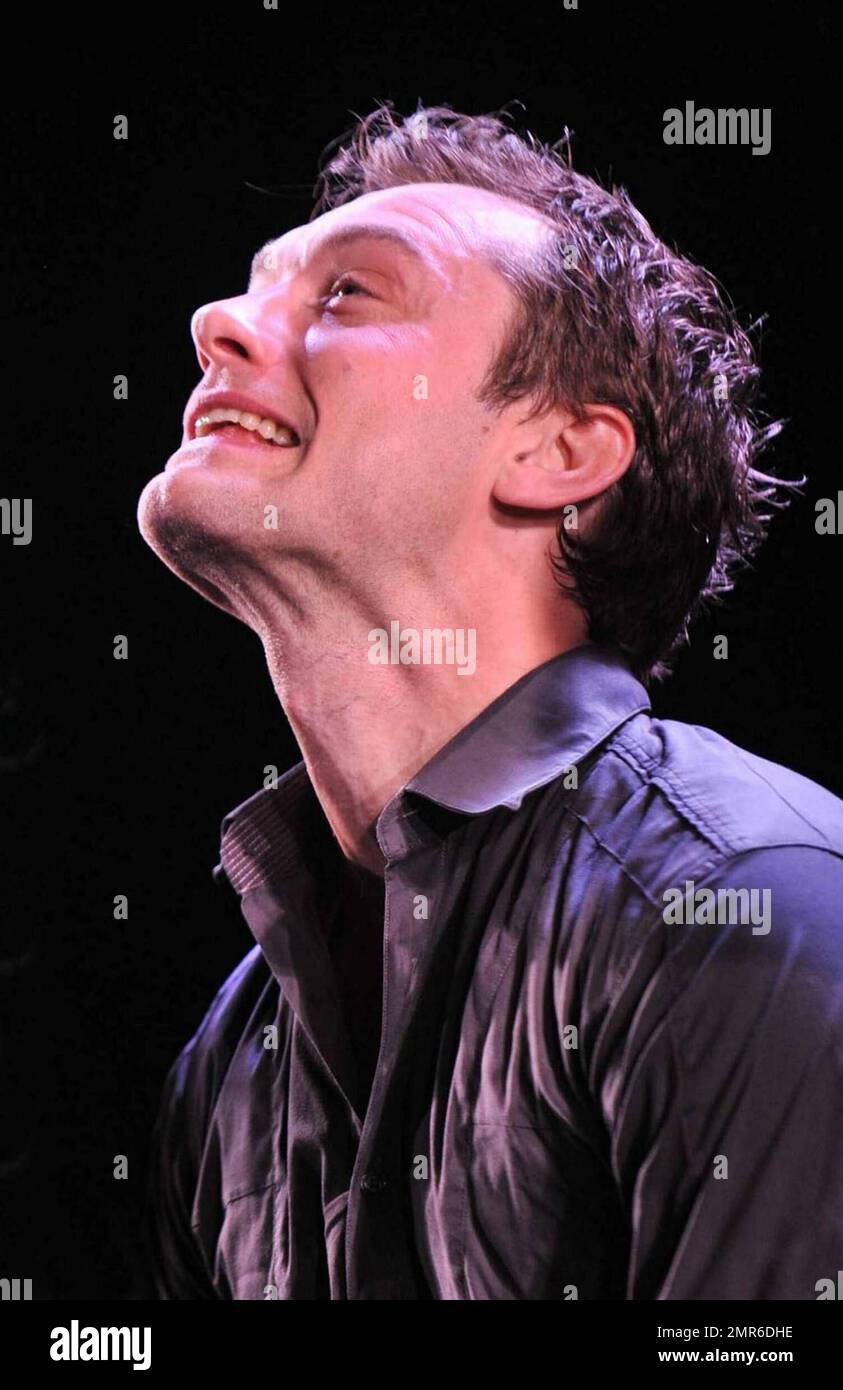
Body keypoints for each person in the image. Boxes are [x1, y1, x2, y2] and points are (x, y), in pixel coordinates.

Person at [137, 103, 843, 1300]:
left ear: (560, 452)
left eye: (348, 293)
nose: (219, 323)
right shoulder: (228, 1069)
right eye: (255, 288)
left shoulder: (750, 908)